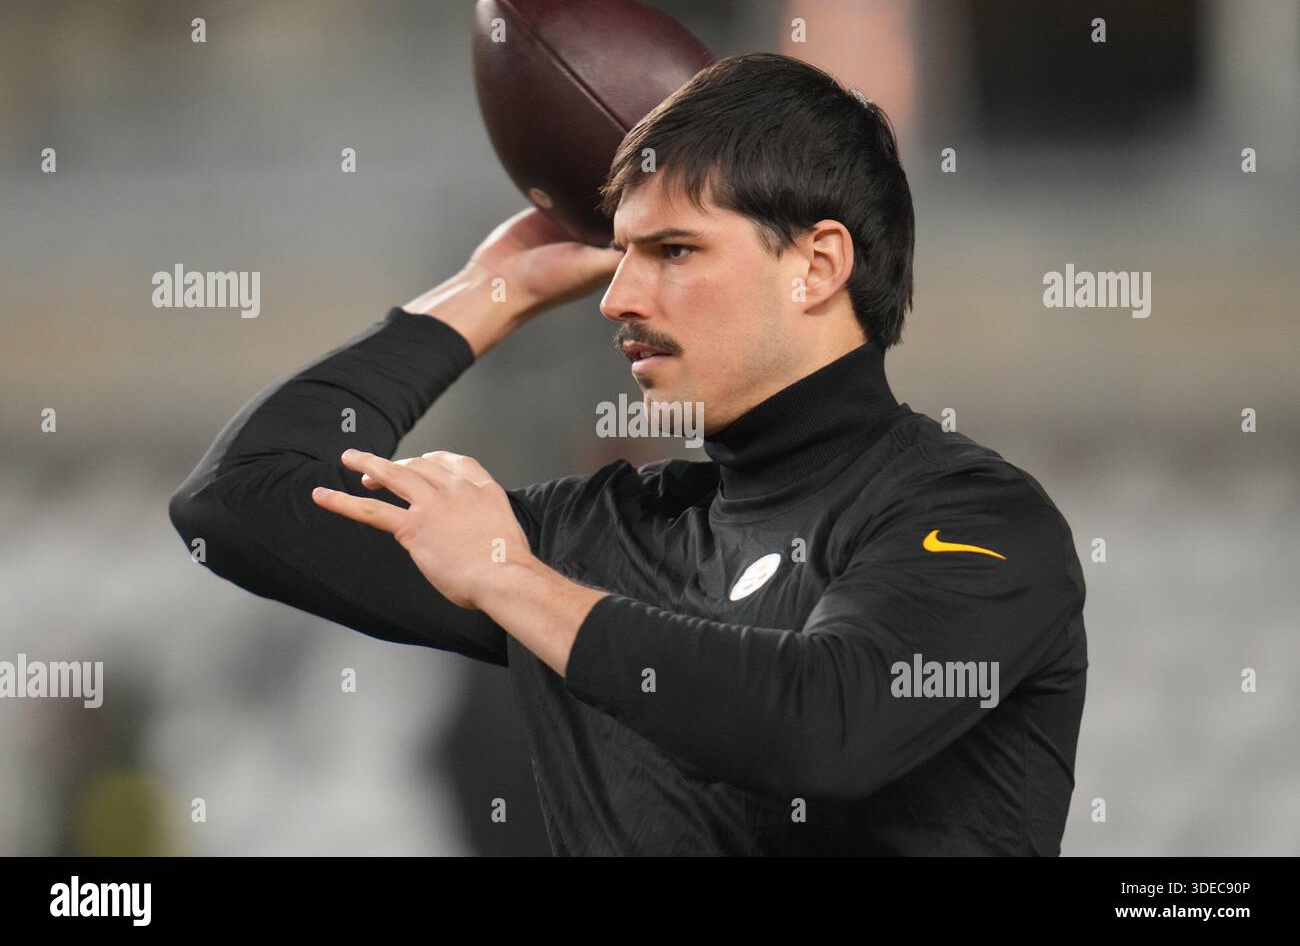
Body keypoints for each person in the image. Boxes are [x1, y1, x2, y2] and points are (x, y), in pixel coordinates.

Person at [169, 53, 1087, 855]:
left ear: (818, 264)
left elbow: (822, 729)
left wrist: (510, 582)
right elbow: (240, 501)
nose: (615, 297)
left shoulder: (976, 517)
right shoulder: (609, 531)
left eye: (674, 250)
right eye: (618, 254)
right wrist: (487, 294)